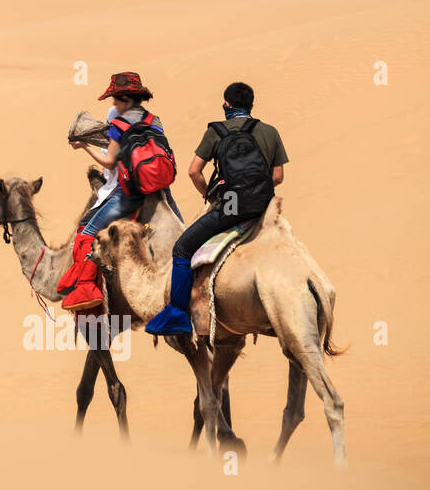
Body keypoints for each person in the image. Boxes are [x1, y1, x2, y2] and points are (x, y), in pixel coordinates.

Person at [146, 82, 287, 335]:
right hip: (264, 209)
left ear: (227, 105)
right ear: (251, 106)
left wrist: (210, 196)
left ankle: (178, 314)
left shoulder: (216, 131)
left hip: (230, 208)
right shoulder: (270, 131)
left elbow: (193, 171)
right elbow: (277, 177)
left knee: (182, 248)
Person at [63, 71, 175, 312]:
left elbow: (109, 163)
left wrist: (83, 146)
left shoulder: (119, 124)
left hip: (131, 193)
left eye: (115, 98)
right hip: (160, 186)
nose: (113, 103)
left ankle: (86, 290)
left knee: (86, 232)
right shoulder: (155, 120)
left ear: (125, 99)